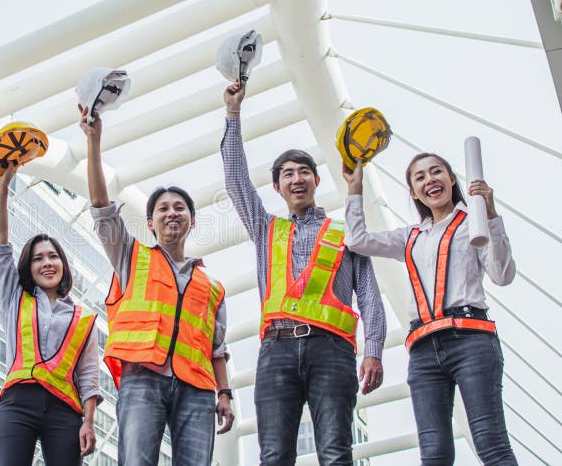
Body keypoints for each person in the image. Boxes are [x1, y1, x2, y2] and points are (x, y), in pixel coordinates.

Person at [221, 81, 387, 465]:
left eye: (304, 172)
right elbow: (235, 180)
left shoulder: (347, 232)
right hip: (276, 350)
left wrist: (374, 349)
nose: (297, 179)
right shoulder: (266, 228)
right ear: (278, 187)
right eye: (288, 174)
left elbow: (369, 293)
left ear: (316, 180)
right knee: (275, 455)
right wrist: (232, 114)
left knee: (335, 453)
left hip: (333, 350)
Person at [80, 105, 234, 466]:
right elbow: (101, 206)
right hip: (142, 379)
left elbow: (218, 348)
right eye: (163, 208)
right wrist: (94, 142)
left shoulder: (212, 287)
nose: (171, 213)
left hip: (197, 388)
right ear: (150, 223)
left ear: (192, 222)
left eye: (179, 207)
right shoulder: (130, 257)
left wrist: (224, 393)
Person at [343, 153, 517, 465]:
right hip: (423, 350)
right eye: (420, 177)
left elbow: (502, 275)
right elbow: (357, 241)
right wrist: (355, 189)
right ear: (412, 192)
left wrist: (490, 215)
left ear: (452, 179)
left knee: (490, 442)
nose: (430, 180)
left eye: (437, 172)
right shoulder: (410, 236)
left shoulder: (472, 224)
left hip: (471, 340)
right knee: (434, 454)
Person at [0, 164, 101, 466]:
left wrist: (89, 422)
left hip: (65, 411)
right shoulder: (15, 298)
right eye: (38, 258)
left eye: (53, 256)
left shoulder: (84, 318)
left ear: (63, 264)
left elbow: (89, 376)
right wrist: (3, 187)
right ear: (28, 267)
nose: (47, 263)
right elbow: (0, 246)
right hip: (17, 404)